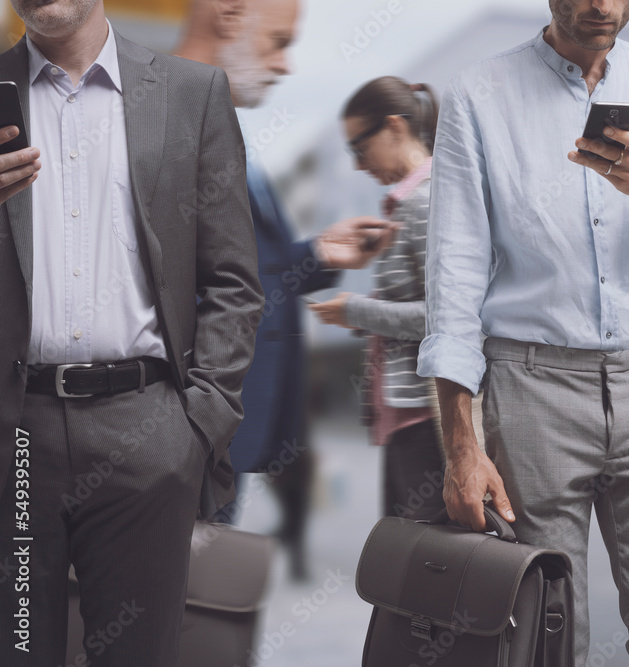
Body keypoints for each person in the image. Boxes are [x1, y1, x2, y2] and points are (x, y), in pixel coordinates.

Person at [417, 0, 629, 663]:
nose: (602, 5)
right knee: (549, 636)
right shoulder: (479, 95)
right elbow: (454, 275)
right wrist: (460, 445)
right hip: (533, 394)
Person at [0, 0, 264, 665]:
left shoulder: (191, 93)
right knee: (16, 647)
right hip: (15, 439)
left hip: (147, 432)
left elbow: (233, 281)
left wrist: (198, 424)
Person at [173, 0, 395, 581]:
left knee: (199, 606)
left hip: (225, 434)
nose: (286, 64)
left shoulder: (219, 123)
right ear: (228, 15)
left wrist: (318, 254)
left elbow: (234, 265)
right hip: (192, 434)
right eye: (278, 42)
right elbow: (180, 281)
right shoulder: (168, 120)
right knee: (180, 606)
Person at [310, 76, 448, 522]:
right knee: (403, 553)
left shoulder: (427, 200)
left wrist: (355, 310)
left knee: (420, 555)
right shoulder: (408, 203)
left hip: (428, 417)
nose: (356, 165)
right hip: (409, 417)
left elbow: (446, 317)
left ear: (394, 127)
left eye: (359, 147)